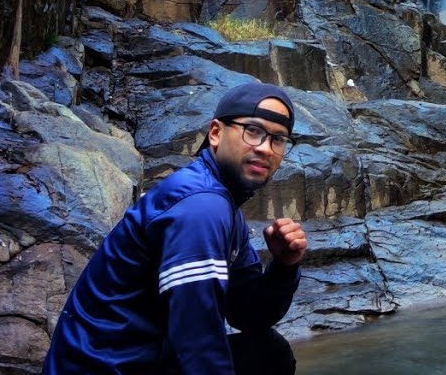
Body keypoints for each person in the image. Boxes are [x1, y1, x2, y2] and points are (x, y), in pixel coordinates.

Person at [43, 81, 306, 375]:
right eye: (253, 131)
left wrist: (284, 267)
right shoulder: (201, 207)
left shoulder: (223, 206)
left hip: (145, 356)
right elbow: (196, 342)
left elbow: (249, 316)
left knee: (268, 353)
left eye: (278, 139)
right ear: (216, 133)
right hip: (105, 365)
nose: (265, 149)